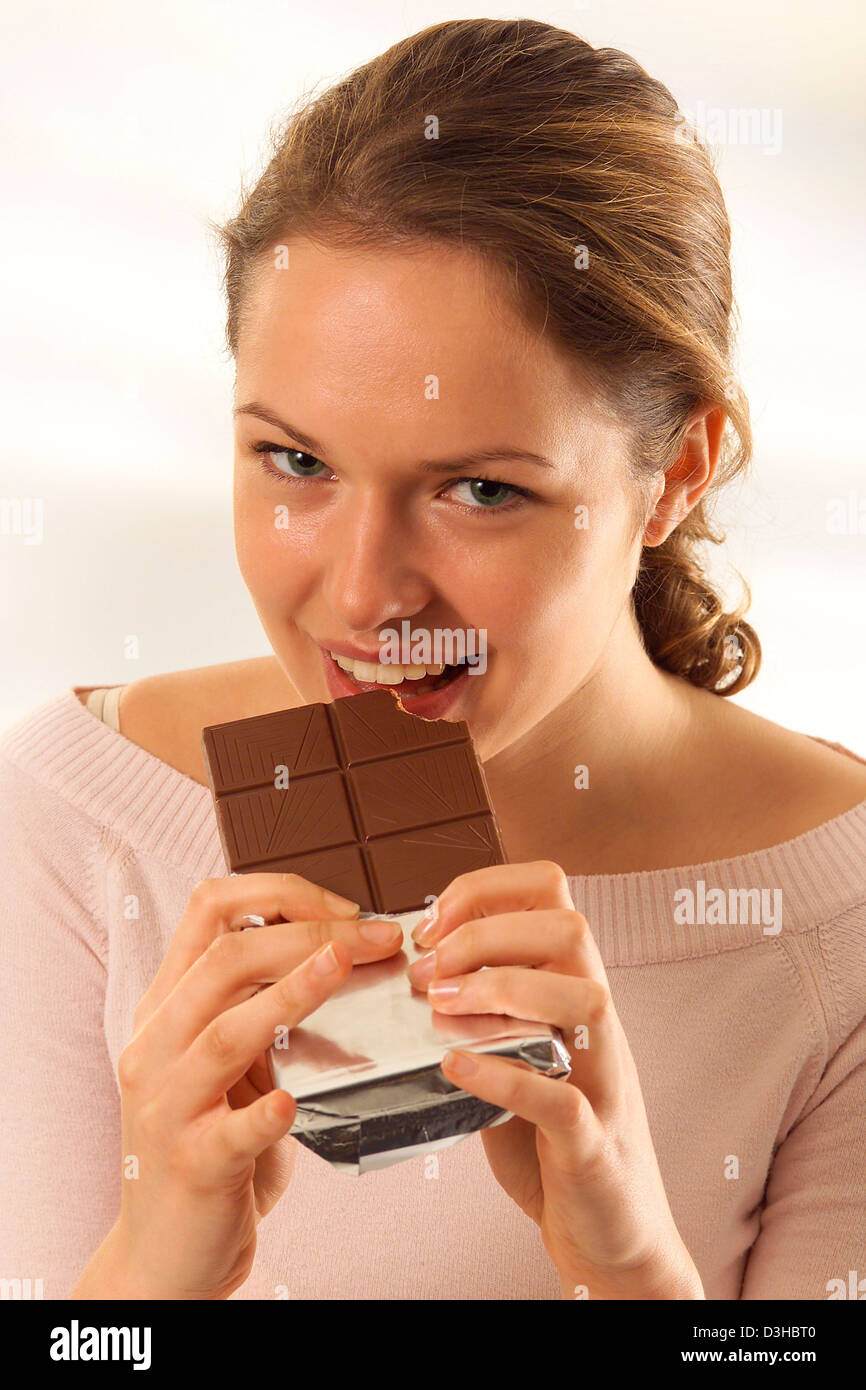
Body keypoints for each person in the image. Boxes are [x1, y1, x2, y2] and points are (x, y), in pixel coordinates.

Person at [2, 18, 864, 1301]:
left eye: (480, 489)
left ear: (676, 470)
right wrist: (150, 1272)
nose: (362, 595)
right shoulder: (72, 824)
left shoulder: (838, 922)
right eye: (295, 460)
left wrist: (631, 1267)